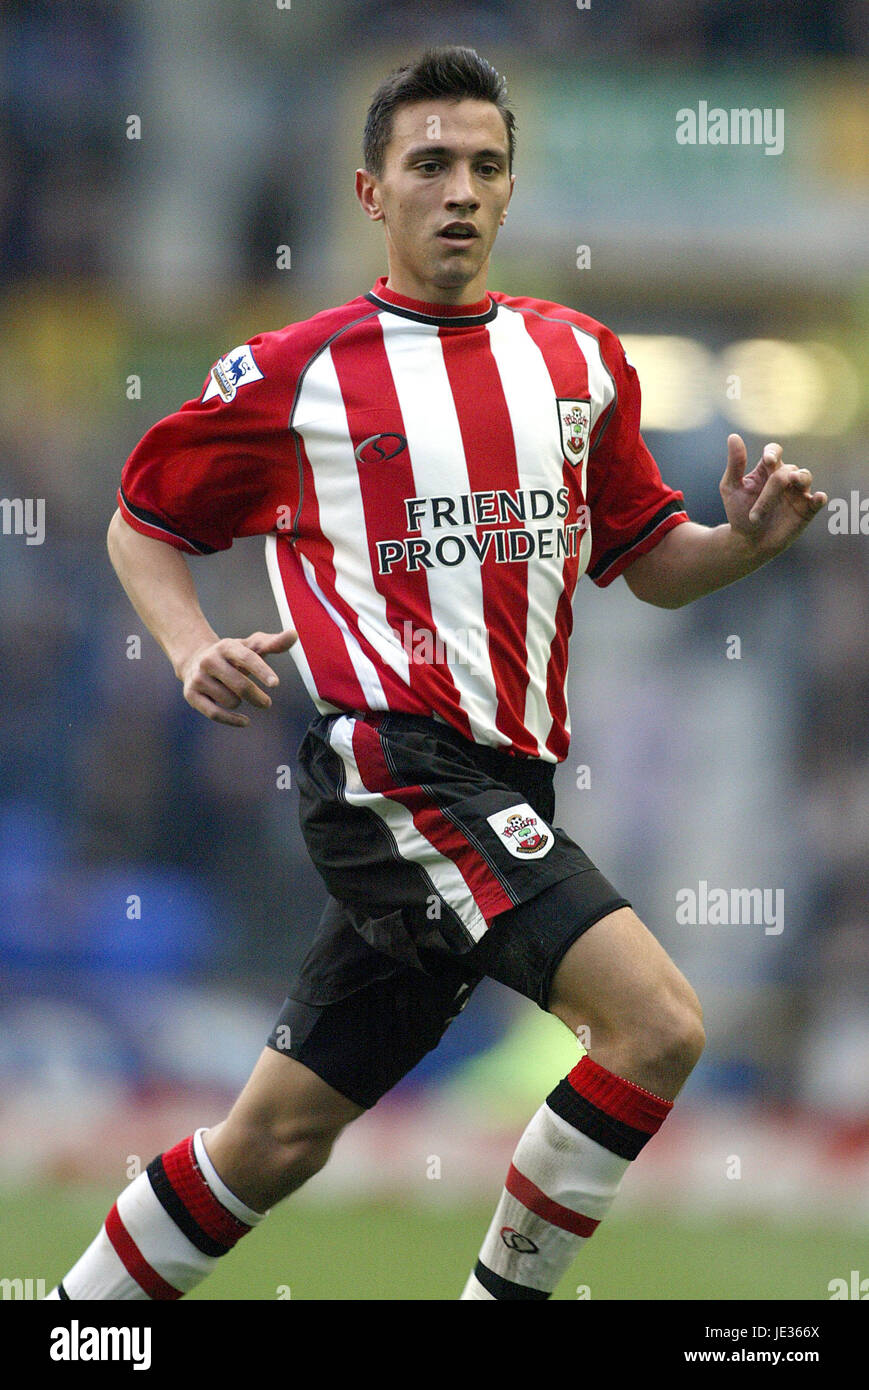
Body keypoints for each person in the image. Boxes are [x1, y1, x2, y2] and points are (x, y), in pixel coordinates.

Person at [47, 46, 826, 1302]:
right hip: (390, 778)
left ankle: (74, 1329)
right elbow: (144, 519)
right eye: (429, 166)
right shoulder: (293, 373)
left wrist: (736, 542)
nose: (458, 190)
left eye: (483, 166)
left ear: (511, 191)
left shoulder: (578, 361)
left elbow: (645, 559)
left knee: (276, 1138)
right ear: (371, 194)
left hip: (506, 789)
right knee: (658, 1025)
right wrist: (191, 649)